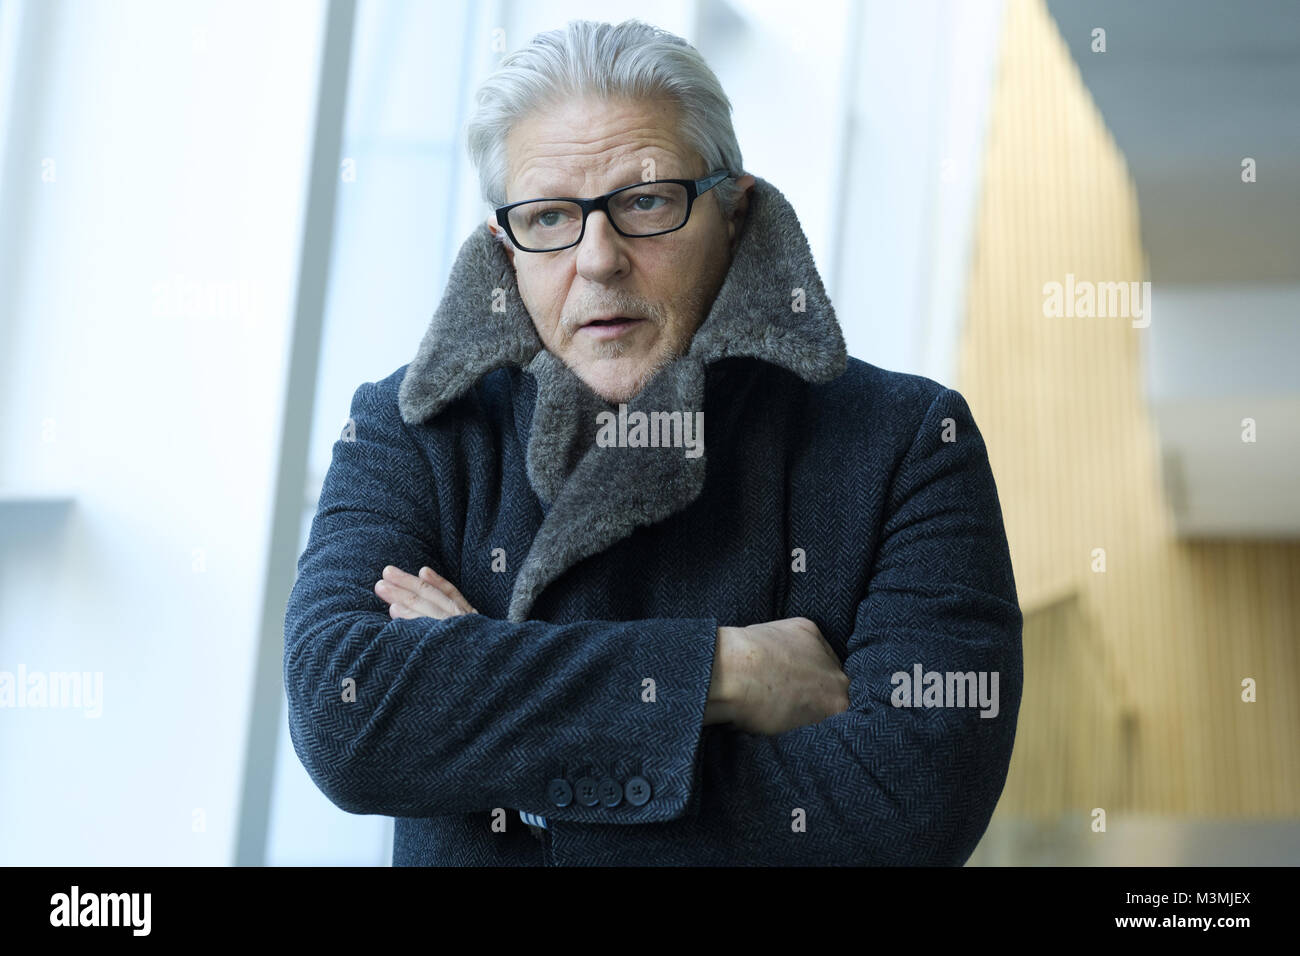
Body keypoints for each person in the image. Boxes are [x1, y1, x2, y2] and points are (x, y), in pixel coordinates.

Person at [283, 18, 1022, 866]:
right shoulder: (415, 427)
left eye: (645, 202)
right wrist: (726, 672)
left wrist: (495, 730)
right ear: (505, 248)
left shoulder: (909, 443)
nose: (597, 260)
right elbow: (343, 717)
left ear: (734, 212)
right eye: (550, 216)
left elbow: (906, 808)